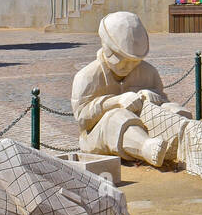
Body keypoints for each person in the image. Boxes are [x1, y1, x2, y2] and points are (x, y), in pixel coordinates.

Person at [71, 12, 192, 167]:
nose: (127, 67)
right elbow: (82, 119)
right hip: (99, 136)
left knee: (171, 110)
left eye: (134, 62)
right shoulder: (87, 77)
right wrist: (116, 102)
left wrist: (153, 96)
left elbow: (163, 99)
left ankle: (187, 138)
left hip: (146, 126)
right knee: (116, 117)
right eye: (121, 60)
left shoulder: (149, 72)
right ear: (105, 47)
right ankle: (146, 147)